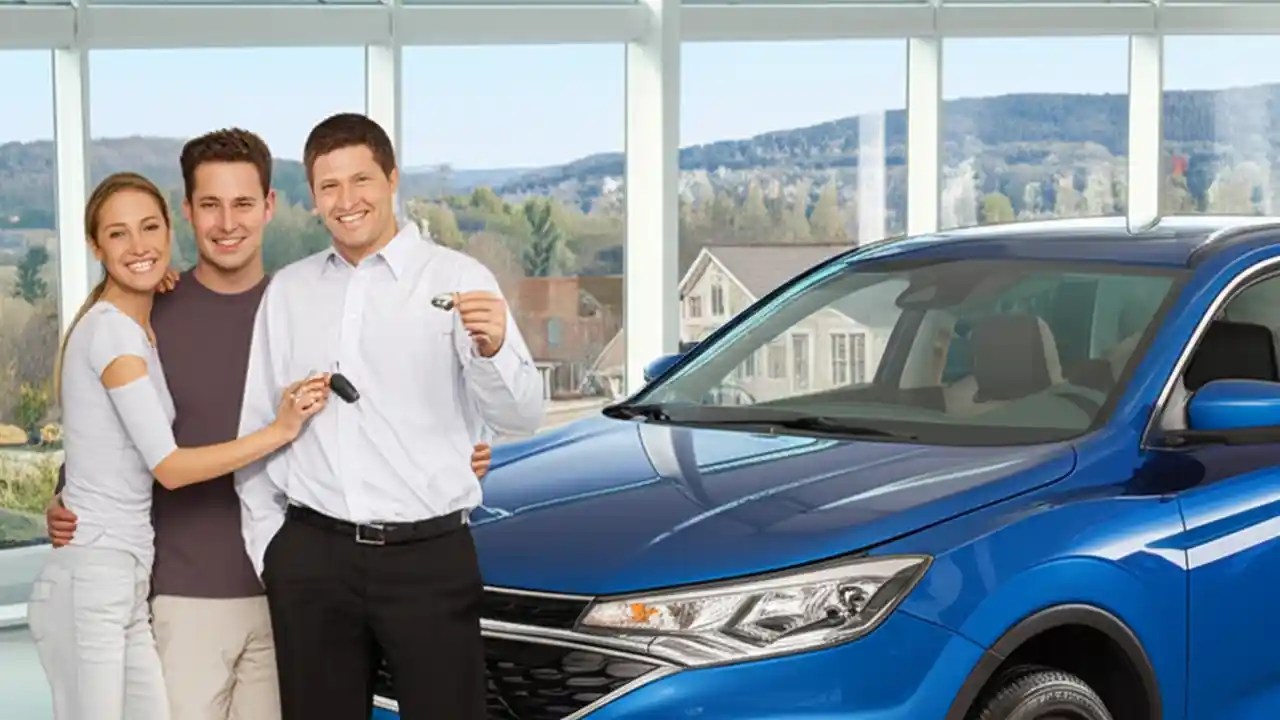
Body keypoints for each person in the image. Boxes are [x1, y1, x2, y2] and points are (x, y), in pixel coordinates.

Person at [44, 128, 495, 720]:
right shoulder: (148, 314)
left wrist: (458, 450)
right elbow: (103, 427)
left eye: (243, 204)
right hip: (184, 599)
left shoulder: (304, 303)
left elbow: (400, 402)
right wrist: (66, 492)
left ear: (270, 207)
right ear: (188, 212)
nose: (227, 223)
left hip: (293, 599)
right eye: (210, 205)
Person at [235, 112, 544, 720]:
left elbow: (521, 417)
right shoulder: (290, 291)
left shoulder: (458, 279)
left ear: (392, 179)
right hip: (311, 556)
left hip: (427, 557)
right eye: (329, 186)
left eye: (362, 181)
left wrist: (494, 348)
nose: (347, 201)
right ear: (314, 199)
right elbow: (256, 428)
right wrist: (271, 547)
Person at [26, 171, 330, 720]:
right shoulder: (112, 333)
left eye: (148, 228)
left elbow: (104, 441)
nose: (138, 246)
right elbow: (167, 466)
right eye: (118, 235)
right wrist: (278, 431)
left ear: (170, 231)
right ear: (95, 246)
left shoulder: (138, 326)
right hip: (96, 573)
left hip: (126, 574)